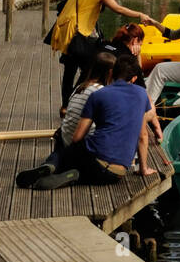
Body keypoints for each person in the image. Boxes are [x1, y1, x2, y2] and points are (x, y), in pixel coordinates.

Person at [25, 54, 158, 190]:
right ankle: (76, 176)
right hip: (117, 172)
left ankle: (53, 164)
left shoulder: (98, 95)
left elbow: (77, 137)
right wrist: (144, 169)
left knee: (63, 152)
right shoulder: (142, 94)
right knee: (93, 169)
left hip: (94, 157)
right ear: (134, 78)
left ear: (112, 73)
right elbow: (143, 136)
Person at [48, 0, 155, 111]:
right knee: (90, 70)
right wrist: (140, 14)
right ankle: (77, 102)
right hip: (79, 33)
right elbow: (118, 9)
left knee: (69, 70)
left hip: (66, 29)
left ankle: (66, 105)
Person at [16, 52, 116, 187]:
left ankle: (50, 164)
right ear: (109, 73)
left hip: (65, 138)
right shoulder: (102, 92)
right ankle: (71, 174)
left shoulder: (80, 87)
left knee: (60, 153)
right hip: (81, 144)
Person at [109, 23, 163, 141]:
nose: (141, 45)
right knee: (150, 108)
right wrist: (156, 124)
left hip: (97, 93)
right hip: (114, 107)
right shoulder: (128, 60)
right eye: (140, 42)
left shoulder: (108, 45)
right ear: (134, 41)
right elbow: (142, 91)